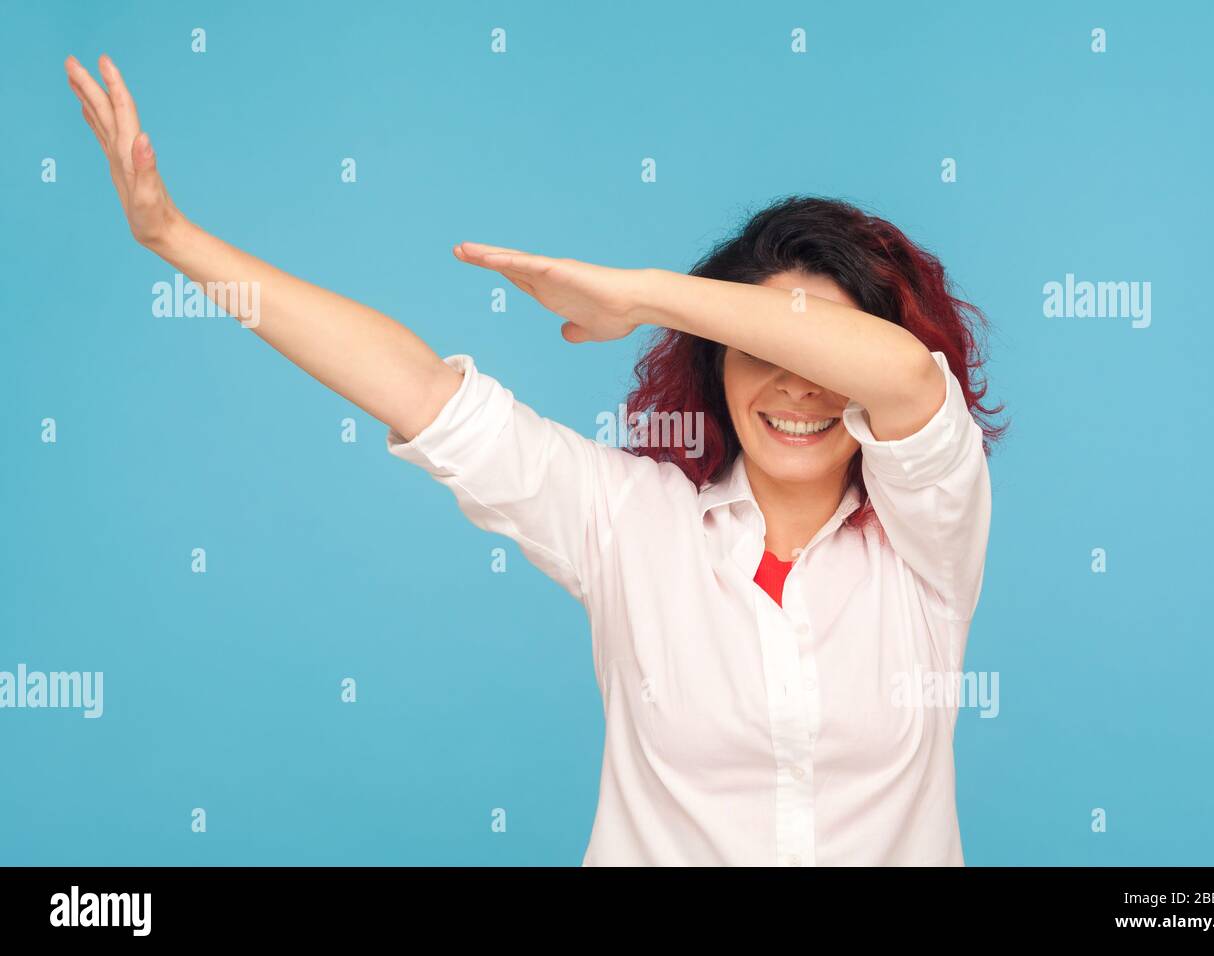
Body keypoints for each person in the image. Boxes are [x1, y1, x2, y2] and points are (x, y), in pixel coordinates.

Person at [66, 53, 1005, 866]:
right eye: (764, 353)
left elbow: (905, 380)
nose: (796, 390)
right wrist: (172, 237)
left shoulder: (931, 537)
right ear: (716, 365)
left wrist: (640, 295)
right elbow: (419, 390)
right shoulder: (631, 522)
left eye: (820, 357)